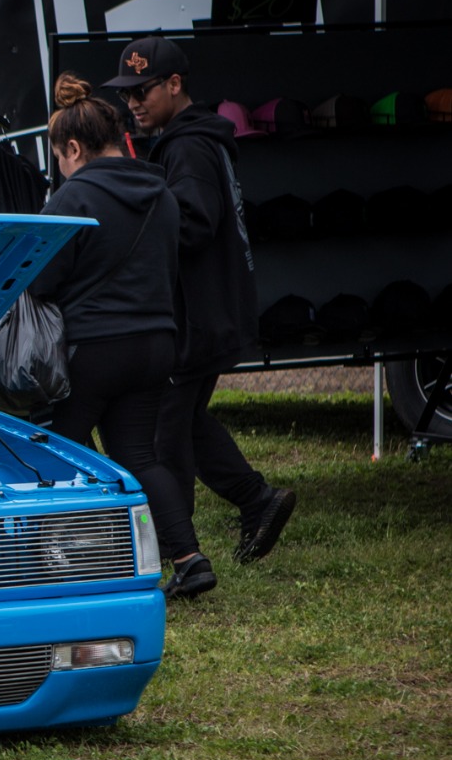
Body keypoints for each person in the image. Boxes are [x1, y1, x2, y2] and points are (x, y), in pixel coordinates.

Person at [104, 36, 296, 570]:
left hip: (199, 315)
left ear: (174, 85)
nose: (133, 104)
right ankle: (257, 500)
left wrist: (135, 231)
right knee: (184, 420)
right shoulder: (191, 139)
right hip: (214, 309)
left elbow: (193, 223)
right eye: (127, 95)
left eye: (143, 91)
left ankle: (179, 554)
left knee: (167, 430)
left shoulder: (186, 146)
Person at [29, 72, 213, 599]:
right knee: (139, 456)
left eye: (59, 158)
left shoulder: (72, 200)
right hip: (157, 343)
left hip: (94, 348)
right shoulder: (161, 192)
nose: (60, 169)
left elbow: (43, 280)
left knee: (58, 450)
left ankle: (71, 562)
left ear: (72, 147)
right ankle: (189, 558)